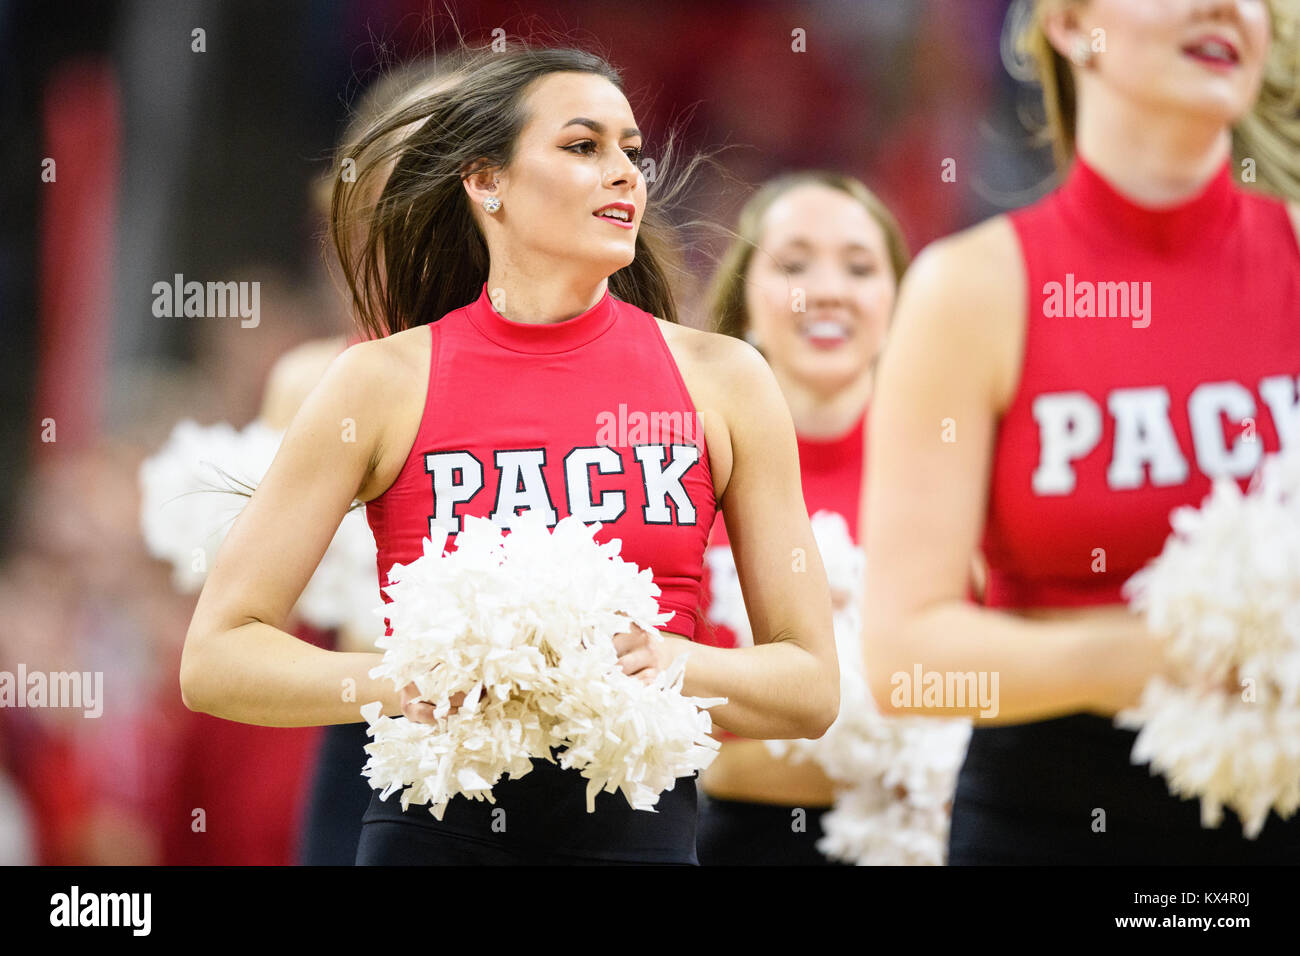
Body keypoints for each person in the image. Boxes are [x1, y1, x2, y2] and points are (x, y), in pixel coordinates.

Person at [180, 41, 839, 866]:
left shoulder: (726, 380)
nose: (626, 173)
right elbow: (217, 656)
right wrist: (402, 684)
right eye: (582, 146)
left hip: (637, 838)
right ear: (485, 181)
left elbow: (812, 686)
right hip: (433, 835)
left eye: (631, 151)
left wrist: (674, 661)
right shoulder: (379, 383)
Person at [862, 0, 1300, 864]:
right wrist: (1163, 653)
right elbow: (906, 659)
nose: (1226, 7)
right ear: (1066, 23)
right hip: (1050, 827)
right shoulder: (970, 292)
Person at [692, 170, 909, 864]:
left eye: (859, 266)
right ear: (745, 299)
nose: (828, 289)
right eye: (792, 264)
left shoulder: (957, 466)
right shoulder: (680, 468)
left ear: (897, 300)